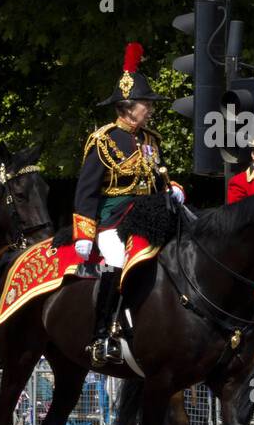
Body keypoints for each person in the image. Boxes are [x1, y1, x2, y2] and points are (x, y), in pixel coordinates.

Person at [73, 43, 185, 367]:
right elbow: (87, 191)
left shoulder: (150, 140)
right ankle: (101, 334)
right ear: (126, 106)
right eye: (145, 103)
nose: (150, 109)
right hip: (113, 220)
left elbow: (159, 177)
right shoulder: (103, 140)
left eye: (150, 104)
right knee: (116, 259)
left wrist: (174, 190)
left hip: (150, 214)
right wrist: (84, 232)